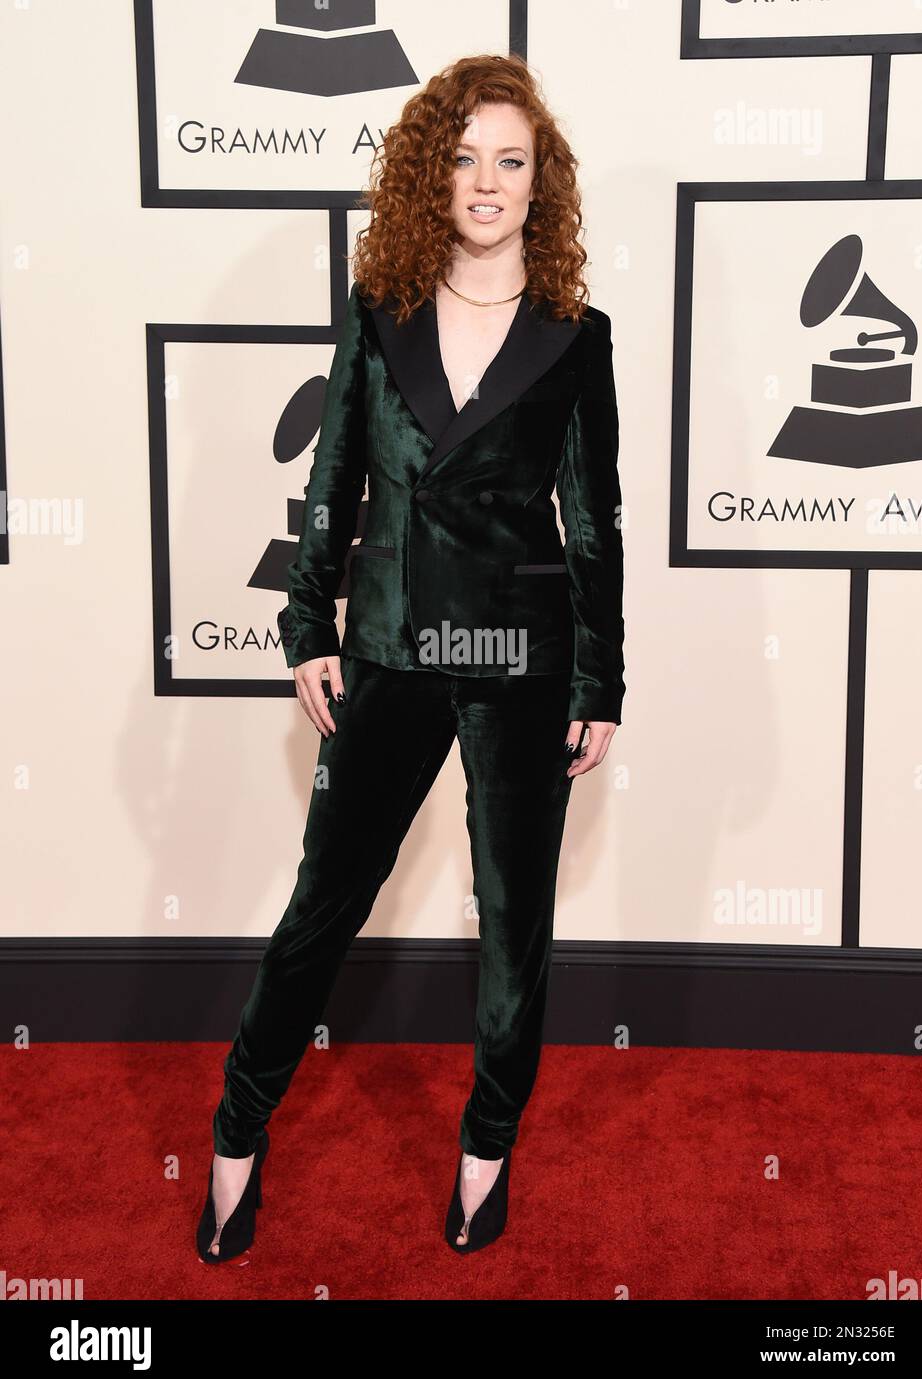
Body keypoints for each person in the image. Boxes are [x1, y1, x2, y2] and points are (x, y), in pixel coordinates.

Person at [196, 51, 625, 1263]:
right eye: (464, 157)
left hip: (523, 660)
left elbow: (592, 519)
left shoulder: (578, 337)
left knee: (514, 925)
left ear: (541, 186)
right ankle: (237, 1135)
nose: (486, 181)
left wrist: (600, 678)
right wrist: (304, 624)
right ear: (429, 175)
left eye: (512, 161)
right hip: (387, 642)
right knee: (321, 908)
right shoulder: (377, 312)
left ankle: (487, 1149)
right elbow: (333, 480)